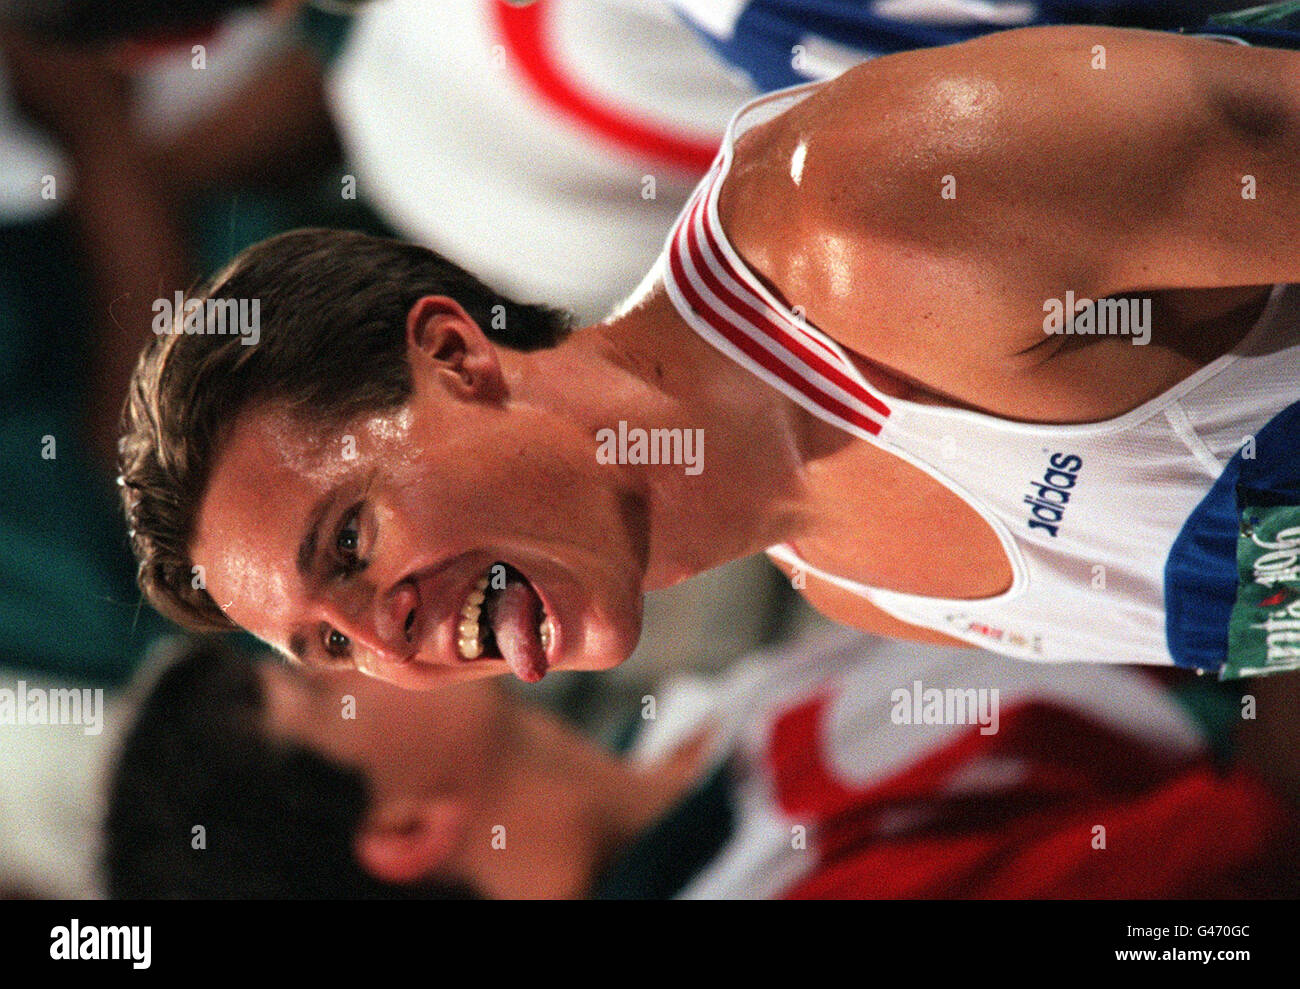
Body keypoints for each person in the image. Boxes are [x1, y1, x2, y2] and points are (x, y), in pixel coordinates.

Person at [119, 25, 1300, 689]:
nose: (391, 638)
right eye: (330, 644)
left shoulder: (869, 221)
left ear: (455, 355)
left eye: (350, 542)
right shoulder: (843, 584)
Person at [102, 632, 1298, 898]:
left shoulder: (685, 725)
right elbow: (1260, 843)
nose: (373, 626)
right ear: (405, 828)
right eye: (324, 670)